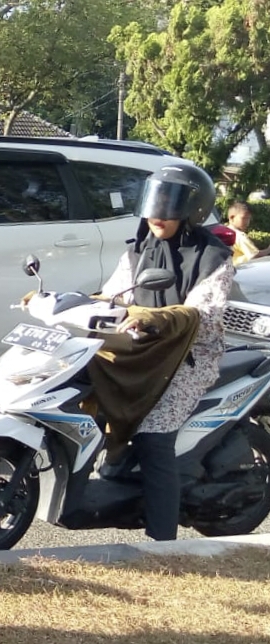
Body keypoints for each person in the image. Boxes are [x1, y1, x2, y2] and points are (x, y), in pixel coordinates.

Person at [95, 163, 233, 541]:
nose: (158, 214)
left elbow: (202, 315)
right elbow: (113, 296)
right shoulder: (140, 249)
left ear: (192, 209)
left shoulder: (213, 258)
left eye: (169, 205)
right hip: (144, 350)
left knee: (154, 439)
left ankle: (163, 544)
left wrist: (152, 319)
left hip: (190, 357)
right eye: (155, 203)